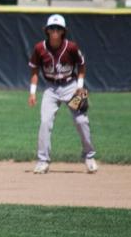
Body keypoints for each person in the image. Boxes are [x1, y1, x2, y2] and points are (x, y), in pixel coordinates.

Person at [27, 14, 97, 174]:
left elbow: (81, 66)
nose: (55, 31)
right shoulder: (39, 48)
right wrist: (32, 93)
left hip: (71, 86)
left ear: (63, 31)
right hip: (51, 88)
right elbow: (34, 71)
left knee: (81, 121)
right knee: (45, 122)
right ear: (46, 30)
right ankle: (43, 161)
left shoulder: (71, 47)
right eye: (52, 28)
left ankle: (89, 156)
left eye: (58, 28)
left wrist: (80, 87)